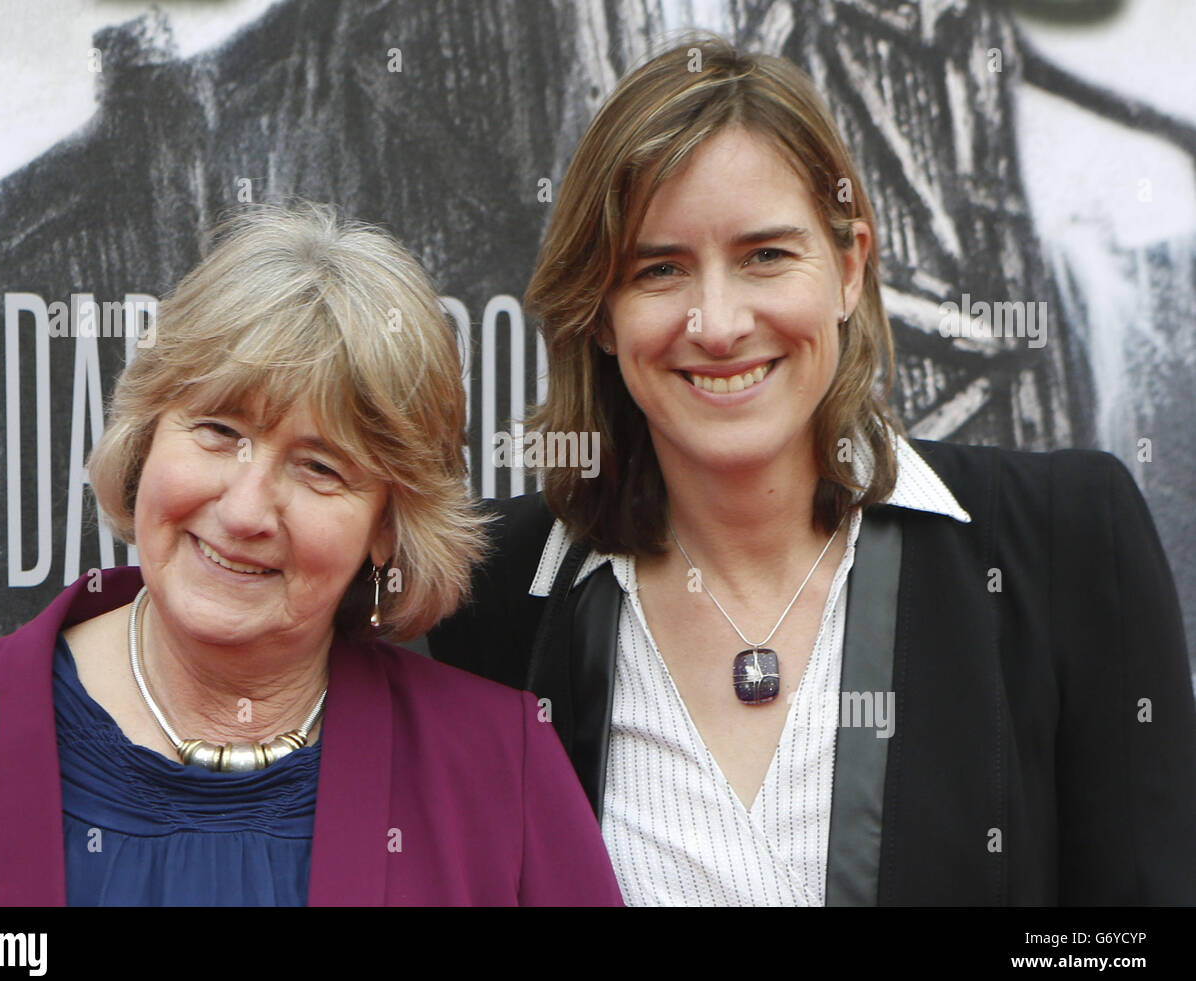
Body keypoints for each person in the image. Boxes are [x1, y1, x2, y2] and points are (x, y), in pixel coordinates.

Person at [427, 37, 1196, 905]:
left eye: (765, 256)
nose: (716, 323)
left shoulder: (1064, 541)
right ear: (602, 314)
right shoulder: (494, 596)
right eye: (659, 269)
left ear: (848, 267)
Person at [0, 201, 622, 906]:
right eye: (217, 429)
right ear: (147, 435)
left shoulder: (500, 768)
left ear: (387, 525)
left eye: (320, 468)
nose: (245, 510)